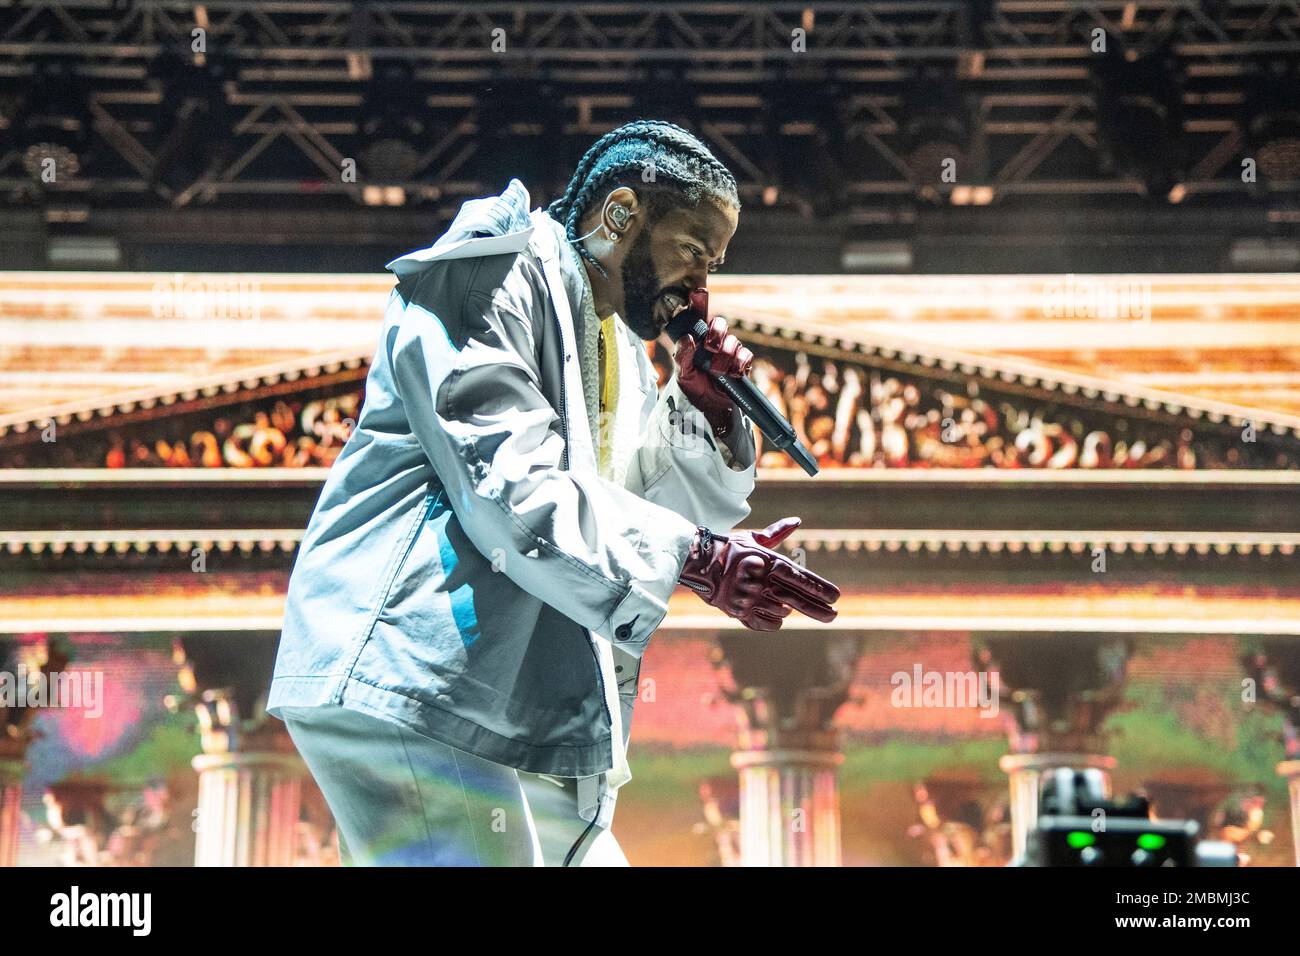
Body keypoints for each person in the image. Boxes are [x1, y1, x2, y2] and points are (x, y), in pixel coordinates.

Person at [267, 120, 841, 866]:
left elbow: (629, 523)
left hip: (510, 703)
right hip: (414, 680)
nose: (702, 289)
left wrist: (704, 407)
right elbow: (511, 493)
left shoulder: (617, 348)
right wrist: (700, 559)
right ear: (622, 215)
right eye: (695, 254)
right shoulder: (487, 278)